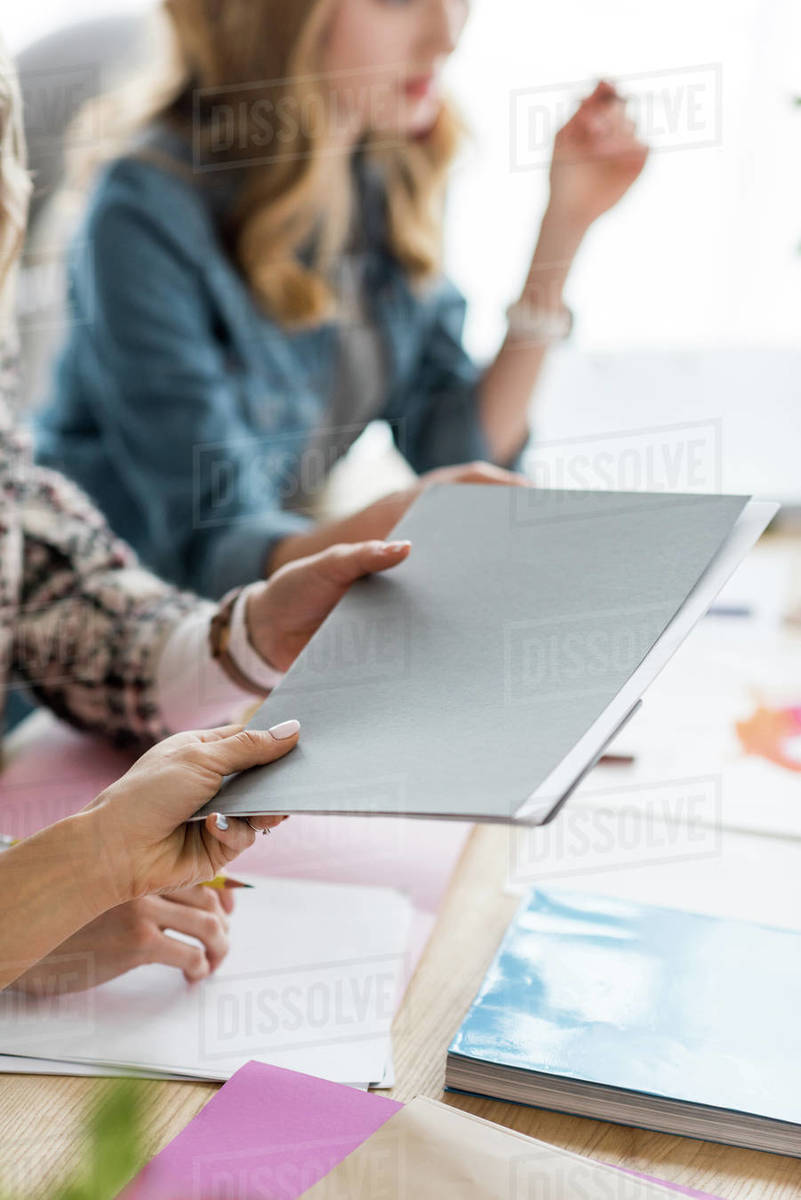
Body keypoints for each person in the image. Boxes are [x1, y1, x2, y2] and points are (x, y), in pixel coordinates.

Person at [2, 39, 504, 995]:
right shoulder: (148, 204)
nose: (445, 31)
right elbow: (208, 516)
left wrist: (253, 631)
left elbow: (62, 595)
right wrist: (40, 896)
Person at [36, 0, 648, 598]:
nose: (447, 33)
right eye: (398, 1)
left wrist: (562, 229)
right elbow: (213, 549)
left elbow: (459, 445)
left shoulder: (387, 168)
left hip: (252, 632)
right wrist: (389, 528)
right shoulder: (145, 211)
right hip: (114, 650)